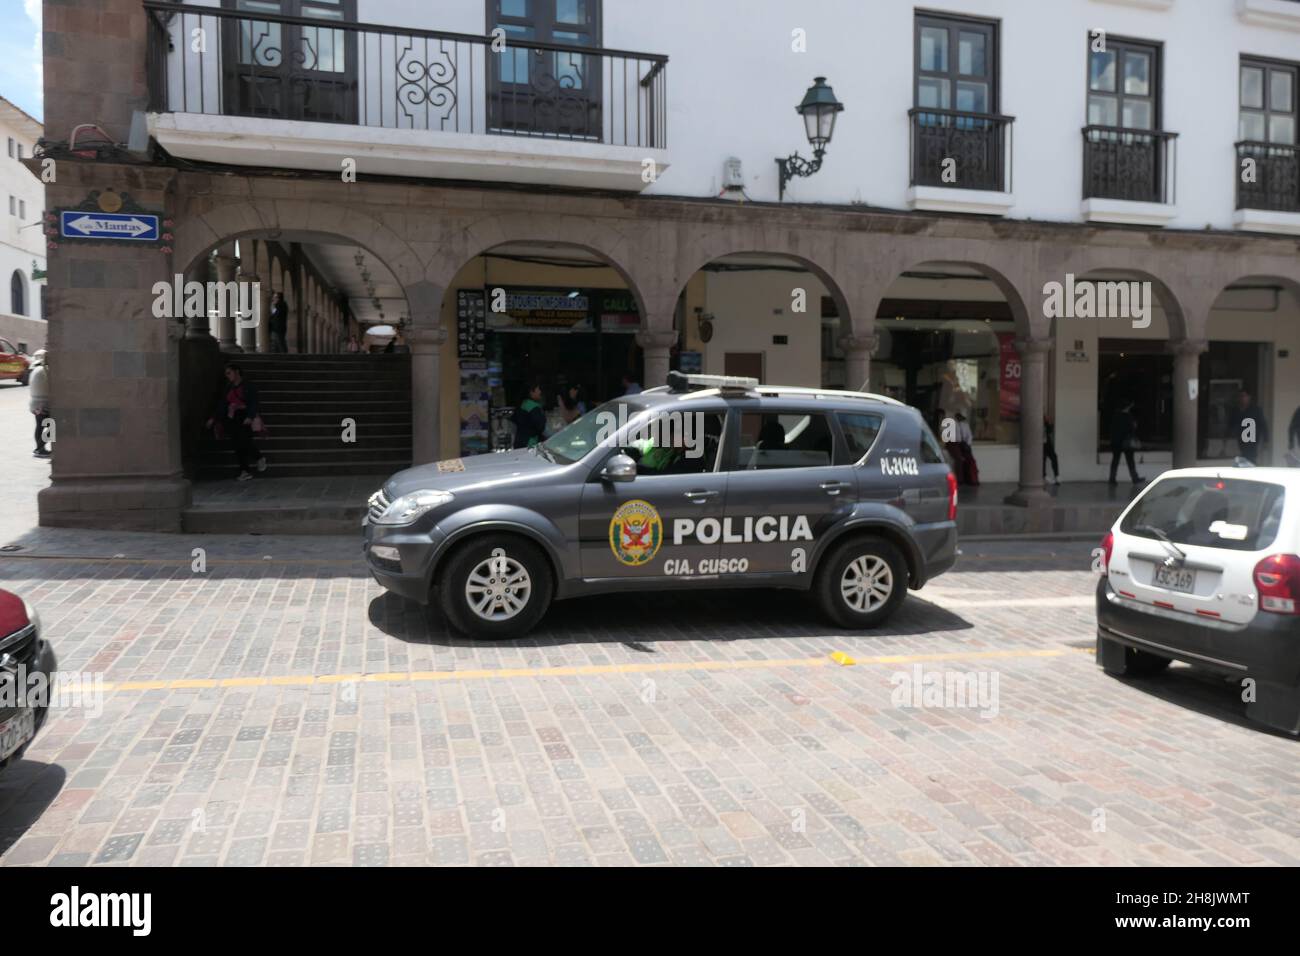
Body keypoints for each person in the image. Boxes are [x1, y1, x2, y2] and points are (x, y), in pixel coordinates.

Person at [206, 362, 267, 481]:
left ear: (237, 372)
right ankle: (245, 471)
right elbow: (223, 404)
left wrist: (250, 416)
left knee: (244, 441)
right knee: (237, 445)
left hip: (244, 417)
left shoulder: (248, 386)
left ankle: (259, 457)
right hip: (232, 418)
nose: (227, 376)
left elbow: (254, 402)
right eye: (226, 374)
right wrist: (213, 418)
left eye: (229, 373)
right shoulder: (228, 387)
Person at [1108, 400, 1143, 485]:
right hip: (1127, 442)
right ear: (1128, 407)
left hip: (1116, 442)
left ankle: (1112, 479)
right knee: (1130, 461)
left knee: (1115, 461)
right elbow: (1131, 429)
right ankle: (1135, 478)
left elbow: (1112, 429)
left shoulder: (1115, 416)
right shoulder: (1128, 417)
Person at [1233, 388, 1268, 464]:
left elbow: (1263, 425)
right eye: (1240, 396)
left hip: (1252, 439)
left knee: (1250, 458)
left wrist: (1266, 440)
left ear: (1249, 397)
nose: (1242, 398)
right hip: (1239, 439)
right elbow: (1231, 424)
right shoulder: (1236, 410)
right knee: (1241, 458)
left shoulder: (1255, 410)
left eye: (1244, 396)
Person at [28, 349, 50, 459]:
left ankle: (40, 448)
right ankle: (40, 449)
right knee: (54, 426)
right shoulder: (44, 371)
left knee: (40, 427)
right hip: (42, 405)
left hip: (35, 404)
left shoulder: (36, 369)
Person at [512, 383, 546, 449]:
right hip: (530, 442)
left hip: (520, 440)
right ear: (531, 392)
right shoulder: (533, 407)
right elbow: (541, 426)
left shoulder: (524, 403)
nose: (540, 392)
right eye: (538, 389)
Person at [954, 412, 978, 486]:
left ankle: (971, 479)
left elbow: (969, 435)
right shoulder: (954, 425)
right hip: (957, 444)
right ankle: (960, 479)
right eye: (958, 417)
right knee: (959, 461)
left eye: (961, 417)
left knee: (970, 461)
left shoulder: (966, 425)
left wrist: (968, 444)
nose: (960, 418)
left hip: (965, 444)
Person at [1043, 414, 1060, 485]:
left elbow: (1050, 431)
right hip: (1039, 446)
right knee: (1042, 460)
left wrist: (1048, 422)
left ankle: (1056, 476)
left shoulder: (1045, 423)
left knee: (1054, 457)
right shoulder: (1035, 424)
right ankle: (1044, 476)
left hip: (1047, 444)